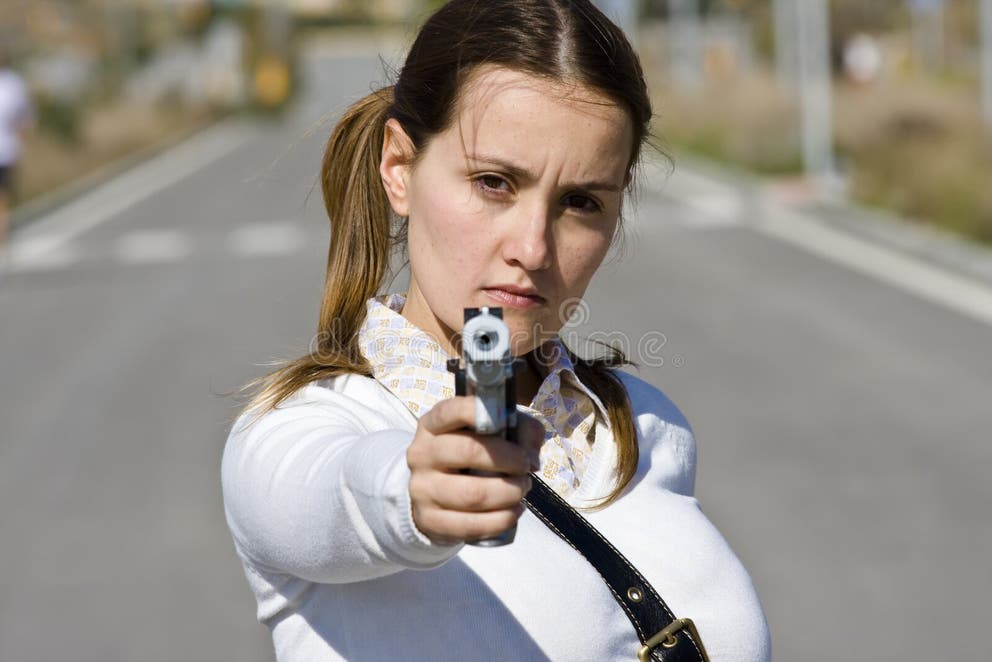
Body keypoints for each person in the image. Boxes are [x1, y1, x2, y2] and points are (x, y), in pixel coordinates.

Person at [221, 1, 771, 660]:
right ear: (399, 167)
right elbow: (333, 493)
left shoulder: (645, 425)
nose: (532, 248)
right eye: (493, 182)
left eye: (581, 202)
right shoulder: (299, 431)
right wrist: (416, 492)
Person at [0, 46, 33, 252]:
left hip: (5, 150)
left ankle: (2, 236)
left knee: (3, 194)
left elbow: (24, 114)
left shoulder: (12, 83)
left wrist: (22, 138)